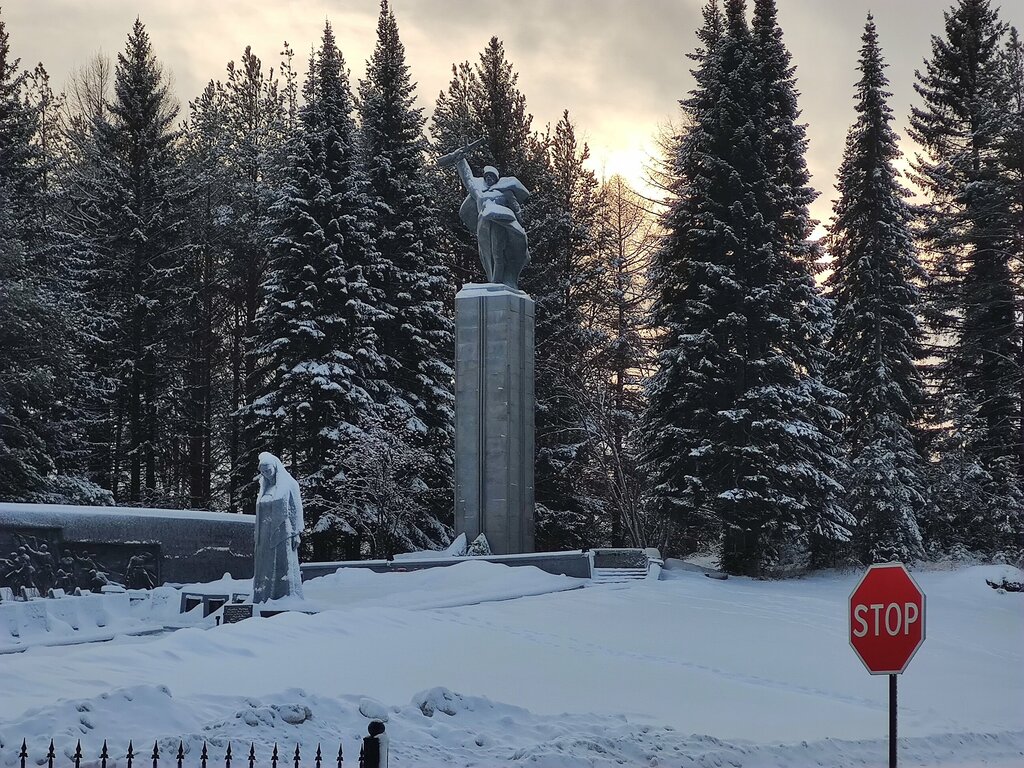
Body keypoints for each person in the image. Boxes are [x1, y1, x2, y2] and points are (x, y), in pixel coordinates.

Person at [438, 140, 531, 289]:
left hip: (500, 223)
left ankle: (497, 282)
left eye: (491, 176)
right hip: (484, 225)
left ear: (496, 178)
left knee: (497, 253)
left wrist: (520, 221)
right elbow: (468, 179)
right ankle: (493, 279)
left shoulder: (504, 191)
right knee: (486, 254)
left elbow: (516, 207)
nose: (488, 178)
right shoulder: (479, 193)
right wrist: (460, 160)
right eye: (486, 176)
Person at [253, 452, 304, 602]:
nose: (266, 474)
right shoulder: (264, 487)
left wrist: (297, 533)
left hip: (283, 532)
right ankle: (263, 595)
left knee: (282, 564)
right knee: (265, 565)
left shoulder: (290, 484)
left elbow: (296, 509)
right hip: (264, 533)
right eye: (263, 472)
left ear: (275, 467)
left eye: (268, 470)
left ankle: (284, 596)